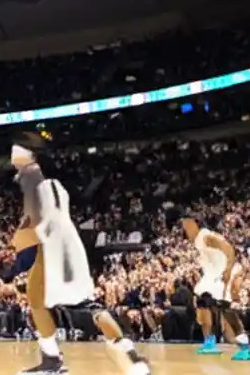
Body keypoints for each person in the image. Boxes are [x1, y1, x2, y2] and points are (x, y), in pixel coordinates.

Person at [10, 145, 150, 375]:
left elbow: (36, 221)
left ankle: (131, 357)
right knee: (36, 299)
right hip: (55, 245)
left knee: (86, 306)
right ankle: (51, 360)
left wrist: (19, 237)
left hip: (58, 248)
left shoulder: (40, 186)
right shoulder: (52, 187)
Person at [180, 216, 250, 361]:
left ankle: (245, 348)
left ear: (196, 224)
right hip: (213, 274)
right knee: (203, 300)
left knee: (226, 309)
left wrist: (228, 270)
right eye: (184, 226)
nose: (186, 229)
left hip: (226, 271)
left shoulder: (205, 236)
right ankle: (210, 342)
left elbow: (229, 249)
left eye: (188, 225)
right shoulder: (198, 239)